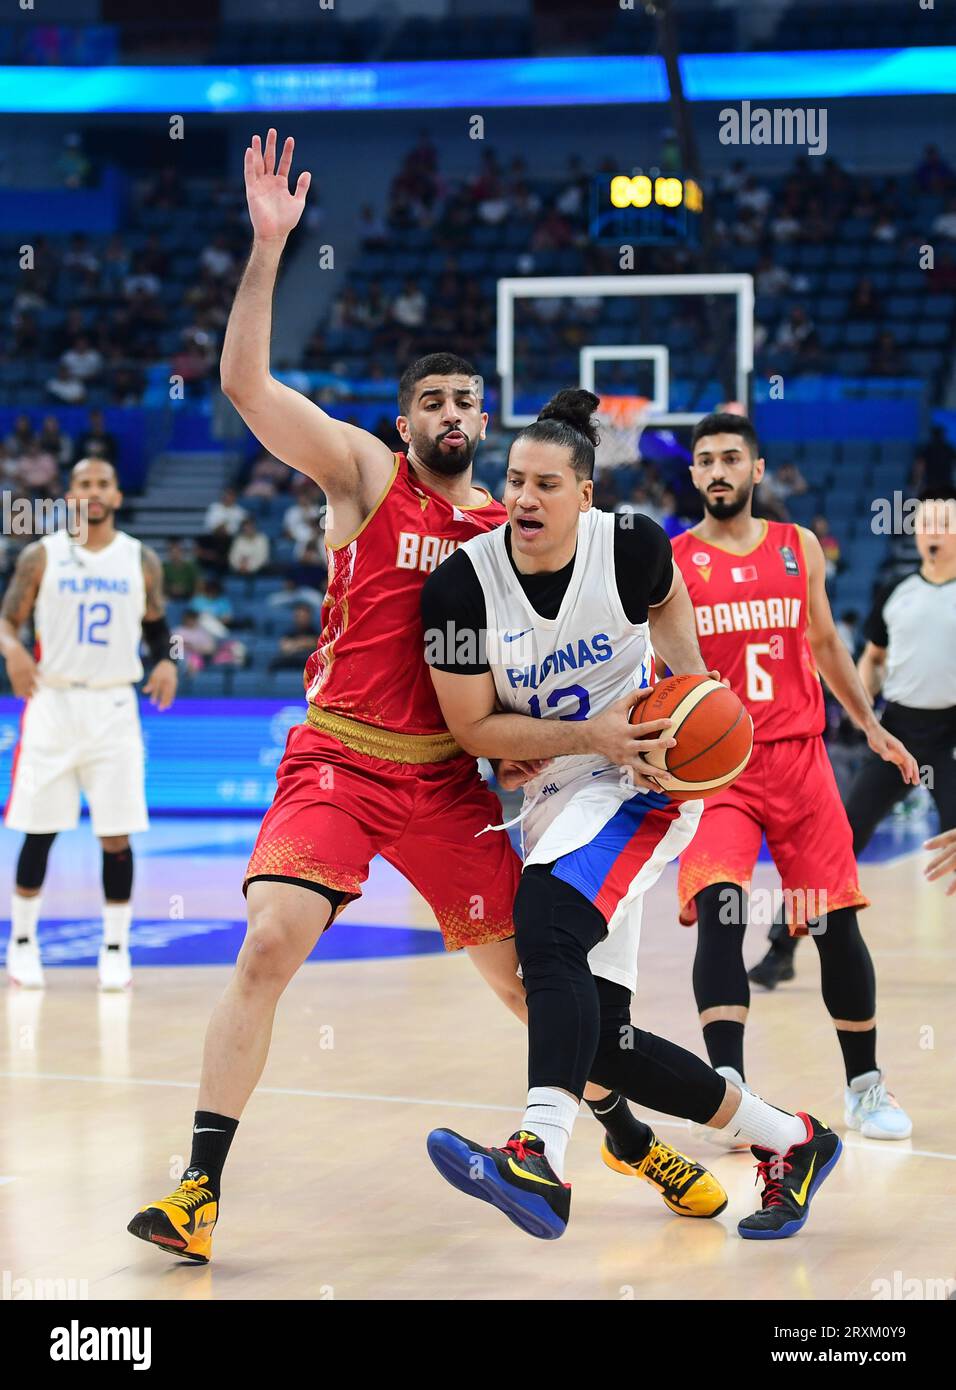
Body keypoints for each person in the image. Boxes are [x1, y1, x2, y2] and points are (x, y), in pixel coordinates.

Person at [127, 129, 677, 1266]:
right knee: (269, 941)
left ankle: (622, 1131)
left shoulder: (510, 526)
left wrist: (556, 740)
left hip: (447, 779)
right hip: (336, 757)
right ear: (403, 416)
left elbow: (578, 627)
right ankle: (197, 1187)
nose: (453, 414)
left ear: (486, 417)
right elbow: (242, 384)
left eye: (468, 400)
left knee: (535, 982)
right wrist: (269, 247)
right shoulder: (362, 476)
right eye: (433, 399)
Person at [421, 391, 842, 1241]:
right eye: (514, 483)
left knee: (546, 923)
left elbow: (670, 605)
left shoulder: (634, 547)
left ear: (587, 493)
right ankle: (793, 1140)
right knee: (603, 1045)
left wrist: (691, 693)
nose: (526, 499)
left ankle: (537, 1156)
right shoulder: (461, 587)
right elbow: (471, 726)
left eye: (546, 483)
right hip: (556, 786)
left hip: (642, 780)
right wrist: (580, 735)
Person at [671, 413, 919, 1145]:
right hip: (722, 772)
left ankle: (866, 1088)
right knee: (721, 910)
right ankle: (733, 1092)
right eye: (706, 460)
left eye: (731, 459)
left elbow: (823, 643)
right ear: (693, 475)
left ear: (756, 471)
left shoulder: (796, 548)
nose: (718, 470)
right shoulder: (676, 560)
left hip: (800, 764)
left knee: (833, 924)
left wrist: (870, 724)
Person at [752, 492, 956, 988]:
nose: (931, 531)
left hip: (951, 738)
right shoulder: (896, 590)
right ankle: (781, 948)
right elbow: (873, 659)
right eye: (925, 523)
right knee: (836, 836)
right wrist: (864, 713)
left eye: (942, 523)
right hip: (900, 733)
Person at [0, 459, 178, 991]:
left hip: (114, 707)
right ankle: (23, 942)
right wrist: (12, 651)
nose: (94, 492)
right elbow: (7, 621)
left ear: (117, 496)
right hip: (53, 703)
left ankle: (115, 946)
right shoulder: (42, 554)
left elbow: (160, 626)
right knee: (39, 828)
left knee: (115, 834)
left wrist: (169, 660)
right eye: (84, 485)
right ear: (69, 494)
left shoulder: (140, 559)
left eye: (103, 484)